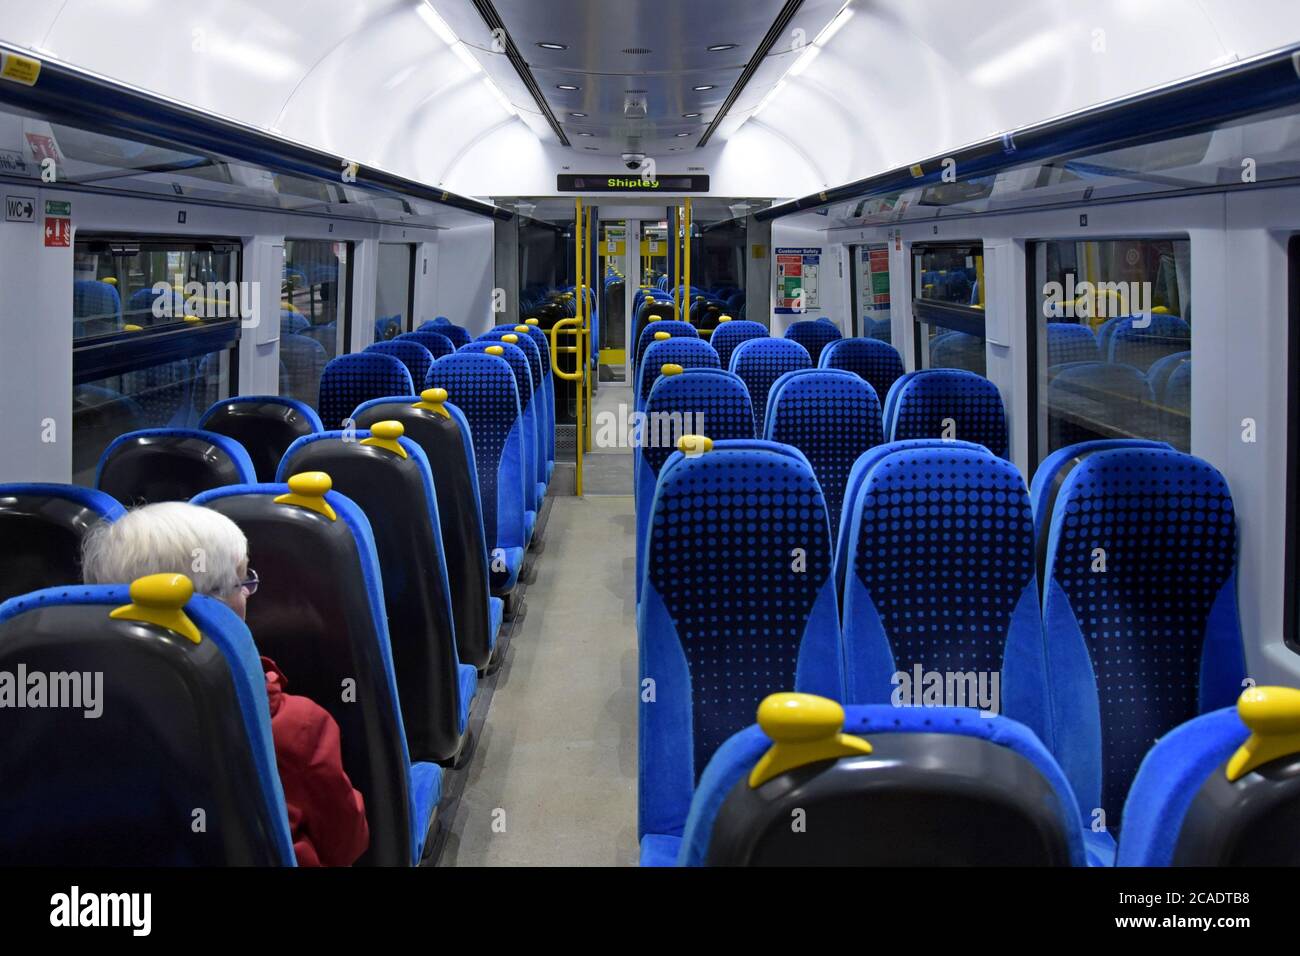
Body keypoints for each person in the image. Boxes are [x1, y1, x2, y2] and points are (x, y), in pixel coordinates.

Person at [81, 501, 369, 867]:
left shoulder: (79, 710)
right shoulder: (292, 725)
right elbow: (349, 842)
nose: (249, 591)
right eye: (242, 579)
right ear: (213, 603)